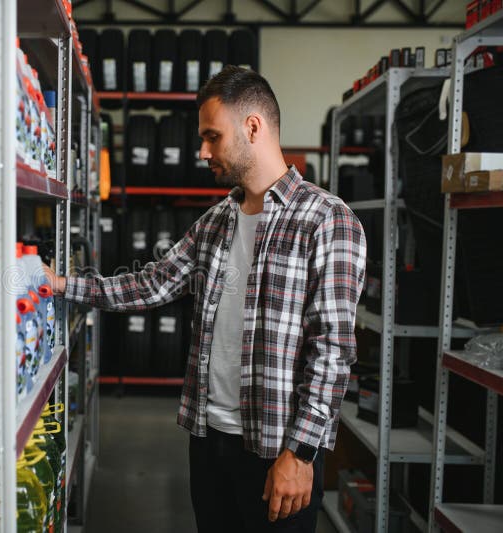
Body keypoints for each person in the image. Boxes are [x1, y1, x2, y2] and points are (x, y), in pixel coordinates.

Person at [43, 65, 366, 533]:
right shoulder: (217, 221)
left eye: (213, 136)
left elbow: (332, 350)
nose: (202, 151)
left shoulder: (327, 220)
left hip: (276, 450)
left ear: (252, 127)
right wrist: (62, 285)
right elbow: (152, 284)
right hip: (208, 441)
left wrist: (301, 455)